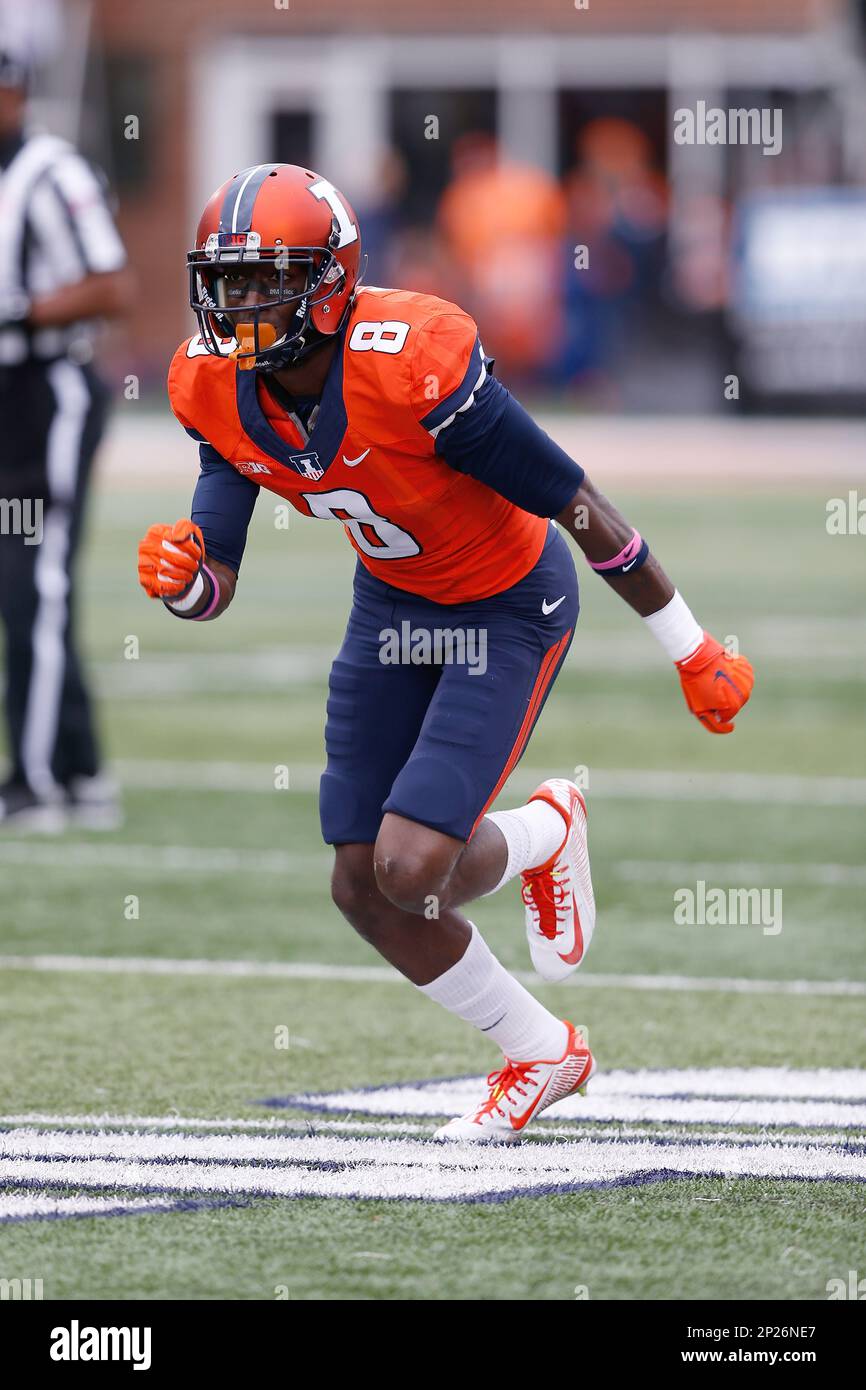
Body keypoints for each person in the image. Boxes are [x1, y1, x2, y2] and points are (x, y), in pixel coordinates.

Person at [137, 164, 754, 1142]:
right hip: (391, 606)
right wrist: (183, 581)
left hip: (508, 604)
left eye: (266, 281)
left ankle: (544, 832)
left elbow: (574, 499)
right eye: (227, 281)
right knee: (358, 884)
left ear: (329, 283)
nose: (240, 305)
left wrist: (686, 645)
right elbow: (215, 578)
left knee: (411, 867)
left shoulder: (410, 360)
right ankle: (542, 1051)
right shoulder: (212, 387)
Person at [0, 49, 130, 829]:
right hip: (7, 396)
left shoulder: (53, 172)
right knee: (24, 588)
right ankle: (80, 773)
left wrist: (16, 311)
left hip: (47, 394)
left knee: (34, 585)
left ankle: (37, 780)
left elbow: (112, 285)